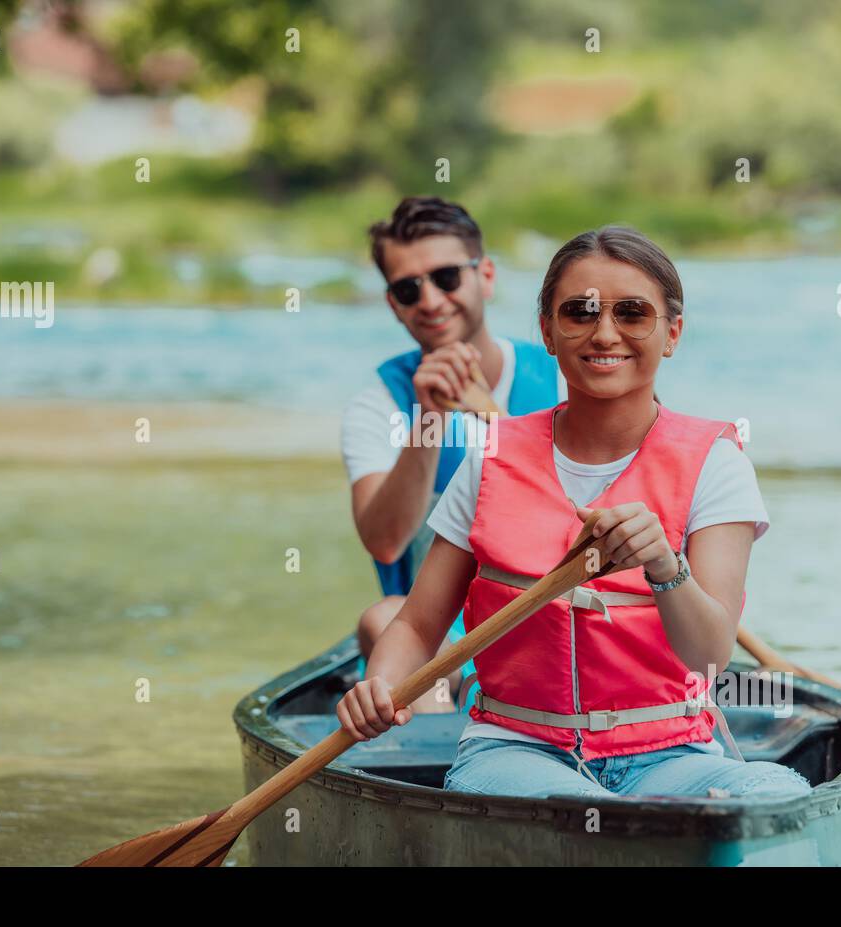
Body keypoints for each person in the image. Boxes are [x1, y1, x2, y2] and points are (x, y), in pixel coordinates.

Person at [336, 225, 812, 801]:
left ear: (672, 333)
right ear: (549, 333)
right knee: (586, 813)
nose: (604, 332)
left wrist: (665, 565)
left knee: (777, 793)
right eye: (579, 313)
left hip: (674, 756)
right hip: (515, 752)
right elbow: (417, 624)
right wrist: (379, 686)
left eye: (633, 313)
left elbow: (710, 654)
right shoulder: (490, 458)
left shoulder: (716, 463)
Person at [341, 197, 562, 713]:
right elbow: (387, 542)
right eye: (408, 288)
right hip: (438, 639)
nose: (431, 300)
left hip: (553, 617)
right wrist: (430, 418)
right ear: (393, 303)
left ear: (485, 275)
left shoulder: (563, 377)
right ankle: (446, 752)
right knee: (380, 618)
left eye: (445, 277)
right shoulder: (378, 405)